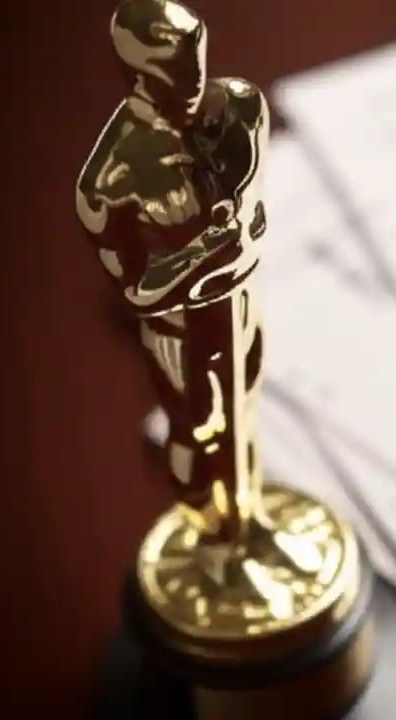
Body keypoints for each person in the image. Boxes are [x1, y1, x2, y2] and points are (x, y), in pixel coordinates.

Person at [75, 0, 269, 542]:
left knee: (247, 408)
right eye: (172, 66)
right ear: (135, 70)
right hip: (179, 328)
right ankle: (211, 538)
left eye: (194, 55)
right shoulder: (108, 180)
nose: (192, 76)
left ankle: (252, 523)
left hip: (239, 303)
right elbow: (137, 287)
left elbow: (250, 206)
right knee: (198, 427)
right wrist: (205, 250)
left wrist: (234, 224)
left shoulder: (237, 108)